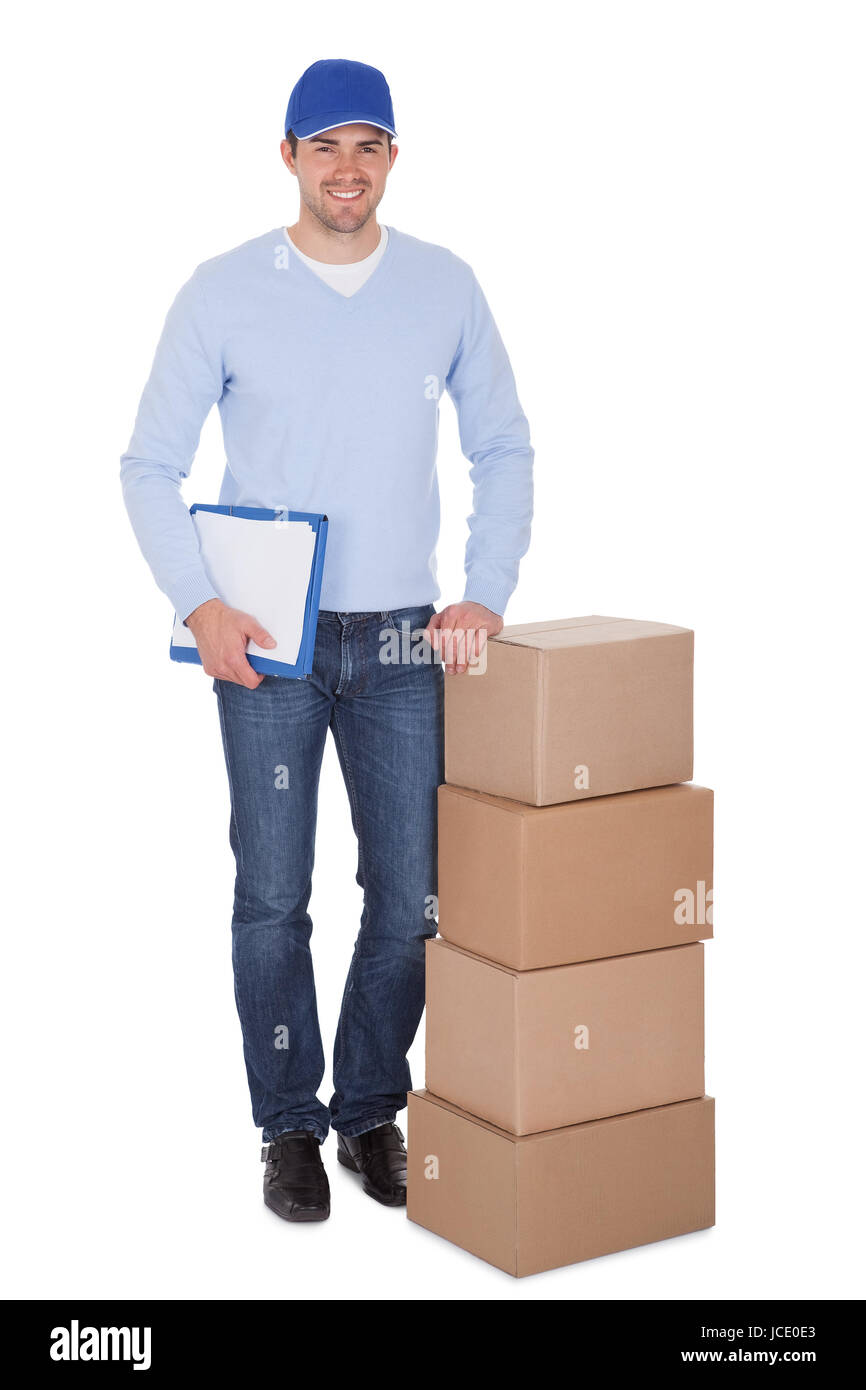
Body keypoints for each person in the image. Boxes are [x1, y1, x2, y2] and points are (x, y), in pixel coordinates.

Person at [120, 58, 533, 1223]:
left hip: (407, 641)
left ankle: (365, 1108)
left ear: (392, 158)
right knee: (272, 895)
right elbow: (148, 461)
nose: (345, 169)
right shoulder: (221, 291)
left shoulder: (442, 286)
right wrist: (199, 604)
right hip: (269, 644)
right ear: (288, 156)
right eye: (324, 146)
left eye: (368, 146)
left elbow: (501, 444)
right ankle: (288, 1124)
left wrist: (483, 589)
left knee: (409, 900)